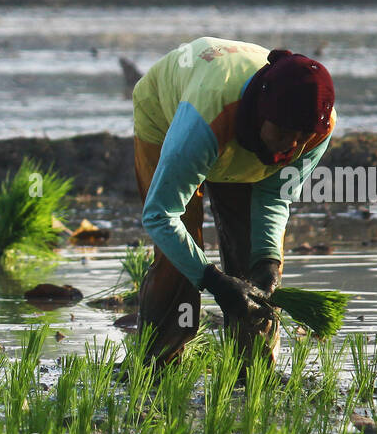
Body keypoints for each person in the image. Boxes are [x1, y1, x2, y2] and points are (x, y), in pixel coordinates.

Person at [131, 36, 336, 365]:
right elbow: (160, 215)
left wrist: (267, 263)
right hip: (170, 115)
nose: (293, 147)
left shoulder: (318, 126)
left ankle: (253, 369)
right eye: (285, 134)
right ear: (263, 114)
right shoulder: (205, 119)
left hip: (232, 128)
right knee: (179, 259)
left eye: (303, 138)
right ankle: (157, 365)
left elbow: (273, 196)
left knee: (251, 255)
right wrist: (213, 281)